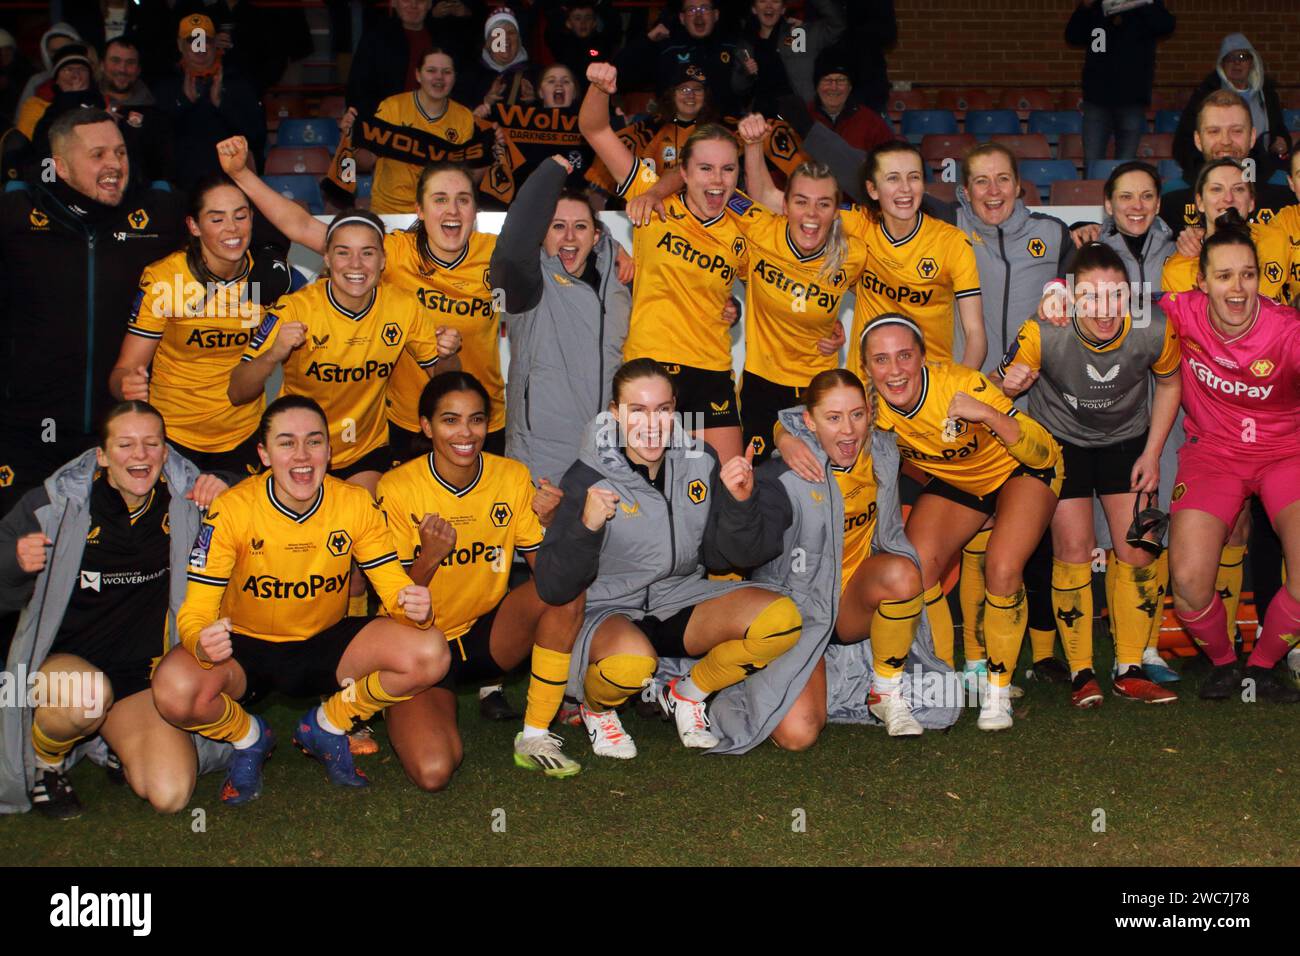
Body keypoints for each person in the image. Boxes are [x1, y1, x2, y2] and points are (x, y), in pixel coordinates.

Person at [151, 395, 448, 804]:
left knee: (430, 651)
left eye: (314, 441)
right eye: (286, 443)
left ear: (329, 448)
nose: (302, 455)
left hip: (325, 643)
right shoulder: (232, 509)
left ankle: (327, 724)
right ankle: (249, 736)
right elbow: (196, 609)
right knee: (173, 690)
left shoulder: (355, 503)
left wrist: (414, 607)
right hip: (246, 648)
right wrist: (201, 642)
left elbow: (394, 589)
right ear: (264, 453)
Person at [781, 316, 1064, 730]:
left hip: (1022, 468)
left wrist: (986, 412)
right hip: (962, 483)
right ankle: (943, 674)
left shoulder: (960, 384)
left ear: (924, 357)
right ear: (866, 368)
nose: (894, 370)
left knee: (1003, 568)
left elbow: (1042, 453)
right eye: (881, 360)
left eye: (904, 356)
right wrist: (783, 438)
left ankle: (997, 692)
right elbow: (797, 417)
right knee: (917, 564)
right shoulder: (868, 410)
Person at [535, 359, 803, 757]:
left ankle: (688, 693)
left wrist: (740, 503)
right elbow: (554, 587)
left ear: (675, 409)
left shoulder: (701, 459)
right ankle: (596, 709)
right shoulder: (586, 475)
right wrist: (585, 528)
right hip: (610, 608)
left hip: (678, 596)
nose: (652, 423)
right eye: (637, 411)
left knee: (781, 621)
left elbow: (728, 554)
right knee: (630, 665)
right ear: (614, 414)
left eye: (661, 410)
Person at [0, 402, 230, 818]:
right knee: (86, 697)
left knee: (171, 793)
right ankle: (47, 764)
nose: (139, 455)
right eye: (125, 444)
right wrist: (12, 562)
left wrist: (228, 492)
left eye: (151, 444)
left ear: (165, 453)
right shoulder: (56, 505)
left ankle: (111, 743)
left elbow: (264, 517)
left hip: (138, 677)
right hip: (65, 671)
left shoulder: (188, 500)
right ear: (102, 456)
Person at [377, 374, 587, 785]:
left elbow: (550, 575)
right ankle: (394, 700)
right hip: (418, 644)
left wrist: (552, 525)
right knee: (434, 771)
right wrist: (429, 560)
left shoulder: (510, 476)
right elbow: (391, 604)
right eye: (450, 420)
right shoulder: (398, 487)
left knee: (565, 593)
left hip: (485, 640)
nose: (465, 433)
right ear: (426, 426)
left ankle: (536, 736)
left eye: (476, 420)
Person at [998, 243, 1181, 707]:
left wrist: (1154, 451)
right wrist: (1010, 381)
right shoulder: (1044, 328)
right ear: (1071, 296)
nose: (1105, 309)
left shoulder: (1153, 326)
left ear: (1131, 294)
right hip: (1062, 441)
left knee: (1138, 549)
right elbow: (998, 382)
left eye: (1116, 295)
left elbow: (1170, 382)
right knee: (1075, 550)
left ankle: (1129, 668)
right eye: (1092, 297)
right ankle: (1082, 672)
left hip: (1126, 441)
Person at [712, 369, 937, 743]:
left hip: (851, 605)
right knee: (796, 735)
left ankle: (885, 692)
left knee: (902, 573)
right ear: (809, 421)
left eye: (857, 415)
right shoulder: (786, 473)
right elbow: (739, 554)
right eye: (833, 418)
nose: (848, 430)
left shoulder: (881, 452)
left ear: (870, 413)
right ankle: (730, 684)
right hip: (799, 614)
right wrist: (740, 503)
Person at [0, 108, 185, 517]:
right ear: (60, 166)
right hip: (26, 434)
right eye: (98, 155)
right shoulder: (15, 214)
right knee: (19, 562)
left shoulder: (157, 212)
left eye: (119, 153)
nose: (114, 165)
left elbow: (233, 239)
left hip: (119, 436)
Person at [579, 62, 752, 461]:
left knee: (727, 488)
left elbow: (766, 289)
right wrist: (599, 89)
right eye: (705, 168)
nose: (717, 180)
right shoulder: (652, 201)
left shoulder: (744, 230)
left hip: (711, 371)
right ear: (684, 173)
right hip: (650, 371)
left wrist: (737, 308)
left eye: (728, 170)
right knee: (648, 488)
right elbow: (595, 130)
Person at [1155, 232, 1300, 704]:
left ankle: (1262, 665)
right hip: (1213, 453)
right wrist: (1058, 293)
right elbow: (1106, 301)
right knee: (1190, 583)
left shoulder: (1287, 330)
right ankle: (1224, 664)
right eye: (1223, 276)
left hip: (1286, 453)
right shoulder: (1180, 311)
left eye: (1247, 274)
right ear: (1201, 283)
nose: (1237, 287)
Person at [228, 209, 460, 492]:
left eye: (367, 253)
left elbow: (446, 382)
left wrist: (448, 356)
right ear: (326, 258)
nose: (356, 264)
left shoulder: (403, 307)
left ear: (383, 259)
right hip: (300, 450)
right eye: (343, 252)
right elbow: (237, 392)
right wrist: (273, 354)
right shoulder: (296, 309)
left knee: (363, 520)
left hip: (364, 450)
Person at [108, 173, 292, 477]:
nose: (232, 228)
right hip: (172, 437)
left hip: (243, 436)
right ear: (194, 226)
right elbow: (123, 371)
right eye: (216, 219)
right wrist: (126, 385)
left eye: (240, 216)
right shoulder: (165, 279)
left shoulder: (267, 280)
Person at [492, 154, 631, 488]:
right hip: (540, 456)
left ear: (596, 237)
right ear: (542, 234)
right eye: (557, 226)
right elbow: (511, 248)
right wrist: (550, 172)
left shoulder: (618, 280)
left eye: (580, 227)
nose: (569, 237)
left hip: (607, 451)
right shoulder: (529, 282)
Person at [733, 118, 865, 461]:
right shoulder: (761, 232)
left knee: (819, 487)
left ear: (836, 212)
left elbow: (879, 301)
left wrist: (838, 331)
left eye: (823, 204)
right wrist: (751, 143)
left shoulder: (853, 255)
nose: (811, 213)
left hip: (818, 390)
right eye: (802, 202)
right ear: (784, 205)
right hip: (761, 383)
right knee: (755, 479)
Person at [152, 12, 264, 191]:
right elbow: (156, 139)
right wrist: (183, 102)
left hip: (231, 183)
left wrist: (221, 104)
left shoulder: (237, 81)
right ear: (180, 46)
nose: (200, 47)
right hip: (182, 185)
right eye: (193, 41)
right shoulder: (167, 84)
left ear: (215, 44)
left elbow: (256, 135)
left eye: (205, 41)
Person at [1160, 90, 1294, 239]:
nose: (1225, 141)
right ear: (1198, 140)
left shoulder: (1288, 192)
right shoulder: (1171, 199)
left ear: (1252, 137)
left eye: (1236, 131)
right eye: (1214, 131)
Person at [360, 48, 478, 215]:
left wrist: (493, 152)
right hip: (389, 212)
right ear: (417, 75)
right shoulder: (392, 107)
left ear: (454, 77)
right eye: (431, 70)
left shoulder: (464, 117)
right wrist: (351, 139)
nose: (439, 77)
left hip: (439, 214)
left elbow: (467, 176)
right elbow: (366, 161)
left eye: (447, 72)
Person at [1064, 0, 1175, 165]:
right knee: (1093, 164)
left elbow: (1165, 25)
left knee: (1126, 165)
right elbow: (1072, 36)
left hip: (1131, 98)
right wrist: (1084, 7)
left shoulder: (1144, 5)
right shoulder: (1096, 7)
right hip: (1097, 98)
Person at [584, 62, 714, 200]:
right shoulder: (646, 131)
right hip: (651, 212)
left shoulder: (719, 134)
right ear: (671, 94)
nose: (691, 95)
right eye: (684, 89)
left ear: (706, 96)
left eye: (698, 89)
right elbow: (604, 147)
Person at [1173, 34, 1290, 181]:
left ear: (1252, 62)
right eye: (1229, 58)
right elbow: (1182, 144)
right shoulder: (1204, 94)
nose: (1236, 63)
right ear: (1221, 64)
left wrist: (1282, 142)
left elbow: (1280, 130)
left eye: (1242, 57)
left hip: (1263, 171)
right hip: (1213, 170)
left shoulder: (1267, 94)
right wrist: (1206, 171)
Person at [616, 0, 755, 120]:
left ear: (716, 15)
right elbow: (620, 75)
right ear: (682, 18)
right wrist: (648, 40)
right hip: (676, 131)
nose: (698, 14)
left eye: (705, 8)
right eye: (691, 9)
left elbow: (746, 91)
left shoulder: (733, 46)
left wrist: (747, 75)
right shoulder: (666, 48)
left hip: (722, 132)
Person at [742, 0, 845, 106]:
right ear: (754, 9)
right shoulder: (746, 44)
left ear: (783, 9)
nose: (769, 6)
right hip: (761, 115)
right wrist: (746, 74)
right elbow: (738, 88)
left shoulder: (798, 34)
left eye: (775, 1)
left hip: (799, 114)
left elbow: (836, 25)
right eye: (762, 1)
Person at [806, 55, 893, 155]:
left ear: (850, 87)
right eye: (827, 80)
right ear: (817, 86)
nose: (834, 87)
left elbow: (889, 159)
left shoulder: (871, 122)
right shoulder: (803, 117)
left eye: (841, 80)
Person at [542, 0, 624, 82]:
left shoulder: (602, 42)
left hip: (596, 88)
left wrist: (599, 2)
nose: (583, 23)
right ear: (568, 23)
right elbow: (552, 26)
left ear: (594, 23)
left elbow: (614, 27)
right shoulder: (561, 43)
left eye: (588, 18)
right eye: (577, 18)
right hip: (569, 90)